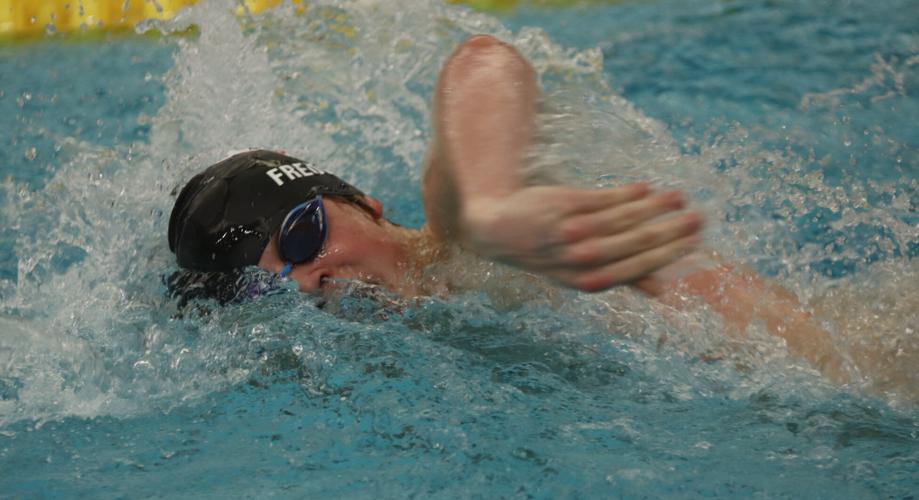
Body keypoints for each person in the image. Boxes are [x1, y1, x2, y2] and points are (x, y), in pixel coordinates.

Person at [168, 35, 852, 386]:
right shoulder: (428, 350)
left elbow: (482, 63)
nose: (308, 280)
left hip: (867, 357)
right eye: (273, 283)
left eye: (303, 237)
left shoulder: (464, 236)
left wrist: (493, 206)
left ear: (365, 204)